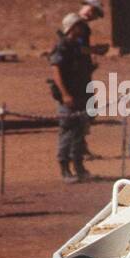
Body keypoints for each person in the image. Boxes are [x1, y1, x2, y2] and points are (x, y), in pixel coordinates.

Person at [48, 13, 95, 183]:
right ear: (72, 27)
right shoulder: (62, 46)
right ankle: (65, 168)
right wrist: (65, 94)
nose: (83, 29)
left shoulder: (76, 46)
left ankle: (79, 166)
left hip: (82, 94)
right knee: (67, 132)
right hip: (69, 97)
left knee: (80, 132)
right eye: (79, 26)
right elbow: (56, 71)